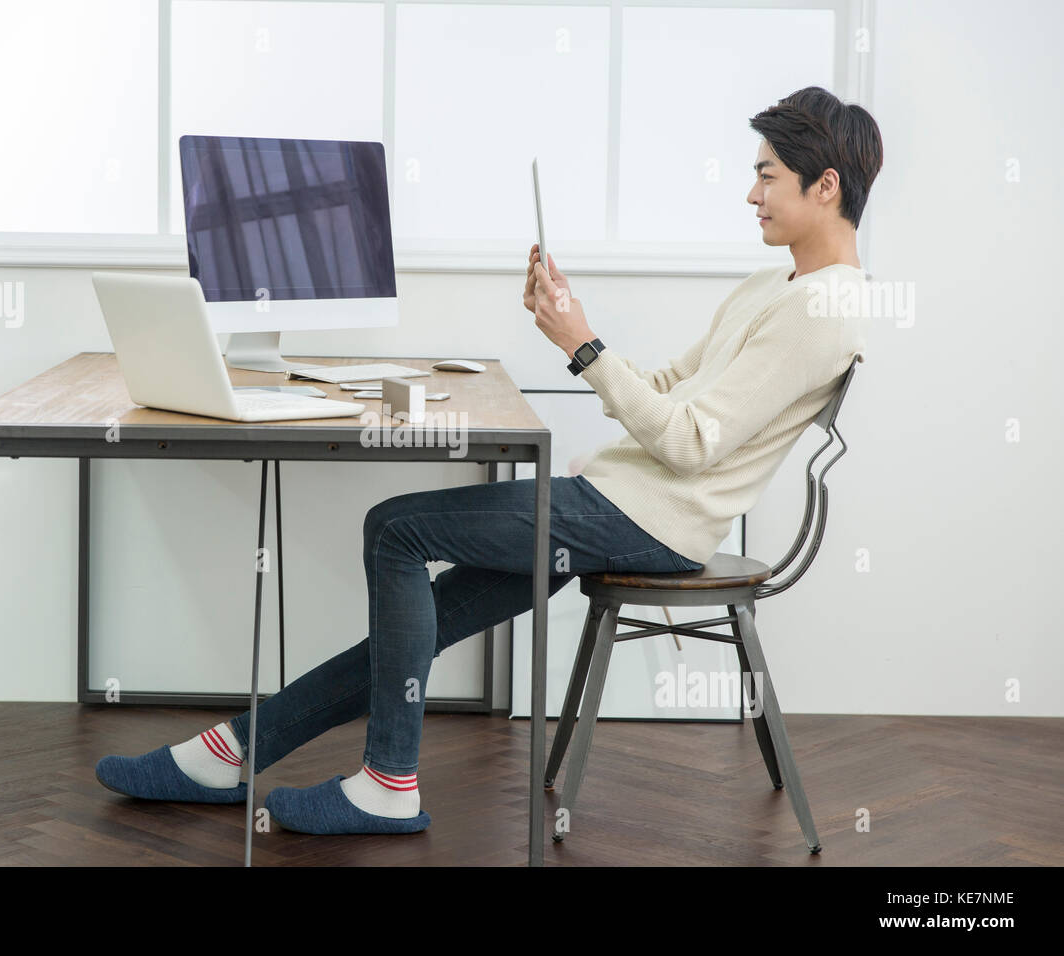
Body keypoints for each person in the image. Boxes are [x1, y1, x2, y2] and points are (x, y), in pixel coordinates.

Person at [95, 85, 883, 835]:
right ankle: (228, 754)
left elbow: (689, 442)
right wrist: (575, 330)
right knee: (416, 628)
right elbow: (670, 390)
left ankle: (387, 785)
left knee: (394, 531)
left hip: (654, 524)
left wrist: (582, 347)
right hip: (618, 504)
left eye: (765, 176)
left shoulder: (826, 309)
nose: (751, 194)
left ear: (825, 186)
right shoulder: (772, 285)